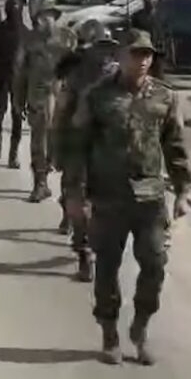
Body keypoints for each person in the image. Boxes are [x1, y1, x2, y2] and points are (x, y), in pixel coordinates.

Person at [64, 30, 190, 366]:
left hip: (150, 197)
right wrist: (74, 194)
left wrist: (182, 192)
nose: (144, 60)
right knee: (107, 266)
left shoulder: (165, 96)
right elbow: (77, 146)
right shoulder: (97, 96)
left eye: (148, 54)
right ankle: (109, 332)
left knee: (155, 263)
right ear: (121, 57)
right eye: (136, 54)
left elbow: (175, 147)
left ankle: (141, 326)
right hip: (108, 197)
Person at [52, 20, 120, 282]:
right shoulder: (75, 77)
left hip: (110, 153)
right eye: (98, 48)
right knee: (79, 207)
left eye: (108, 49)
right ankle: (84, 254)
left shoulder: (119, 78)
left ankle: (99, 248)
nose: (104, 55)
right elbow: (60, 115)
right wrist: (56, 150)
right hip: (78, 151)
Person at [14, 1, 69, 203]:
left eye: (49, 16)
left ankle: (69, 197)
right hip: (38, 98)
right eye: (42, 16)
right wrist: (18, 100)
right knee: (39, 144)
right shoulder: (29, 42)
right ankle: (41, 183)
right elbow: (20, 72)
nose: (46, 20)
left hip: (64, 100)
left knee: (64, 147)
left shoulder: (66, 40)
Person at [0, 0, 26, 166]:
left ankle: (13, 153)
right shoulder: (0, 30)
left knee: (16, 115)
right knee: (0, 112)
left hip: (17, 79)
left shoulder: (25, 33)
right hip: (2, 75)